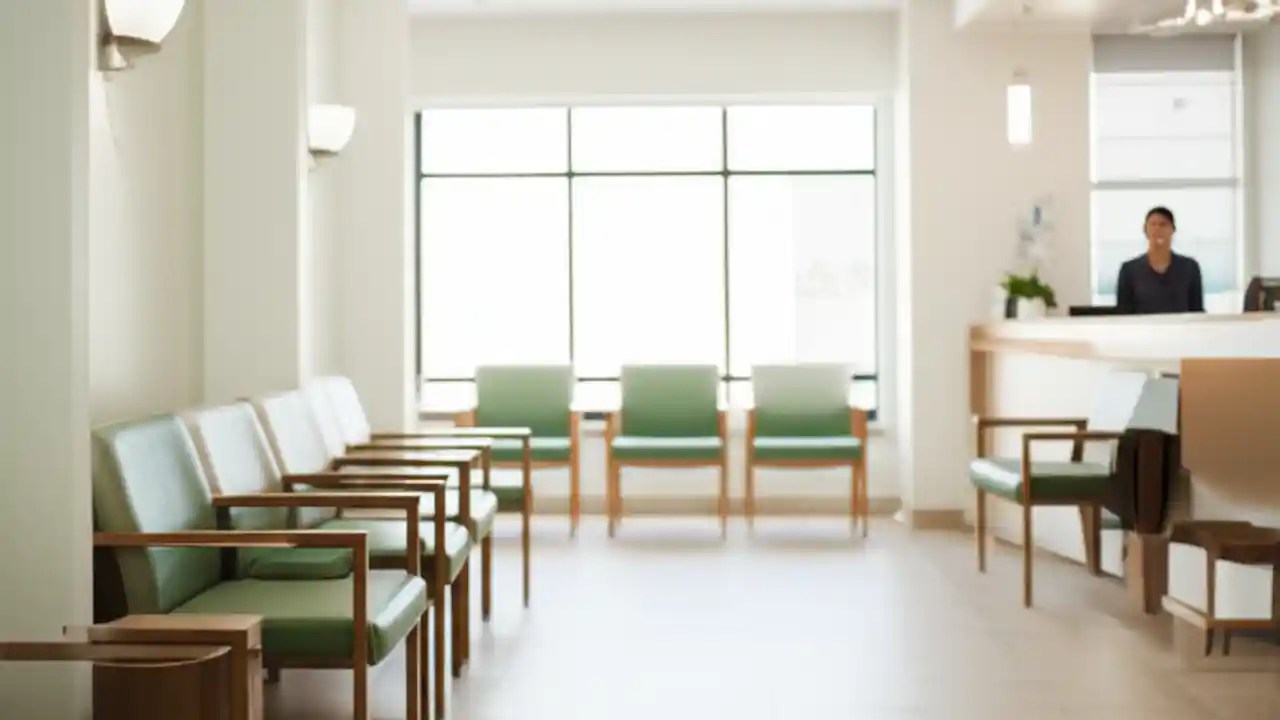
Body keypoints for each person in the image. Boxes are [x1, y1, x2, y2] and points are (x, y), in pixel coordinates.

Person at [1115, 206, 1205, 315]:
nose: (1158, 229)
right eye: (1153, 224)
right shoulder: (1129, 270)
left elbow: (1197, 313)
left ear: (1172, 230)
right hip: (1143, 331)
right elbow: (1123, 315)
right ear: (1145, 230)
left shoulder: (1190, 267)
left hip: (1181, 330)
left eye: (1163, 224)